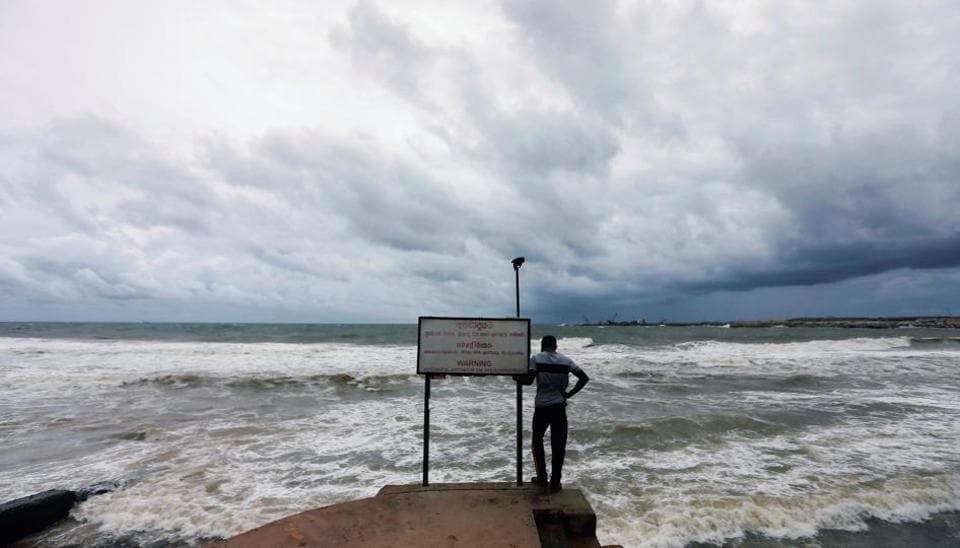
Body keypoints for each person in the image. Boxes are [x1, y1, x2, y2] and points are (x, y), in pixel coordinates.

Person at [517, 335, 589, 493]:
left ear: (542, 346)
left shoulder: (536, 359)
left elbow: (528, 381)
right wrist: (569, 394)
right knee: (558, 445)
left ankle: (542, 478)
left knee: (537, 442)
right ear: (556, 346)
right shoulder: (566, 361)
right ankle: (555, 482)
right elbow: (584, 378)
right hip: (559, 407)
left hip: (542, 407)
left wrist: (515, 377)